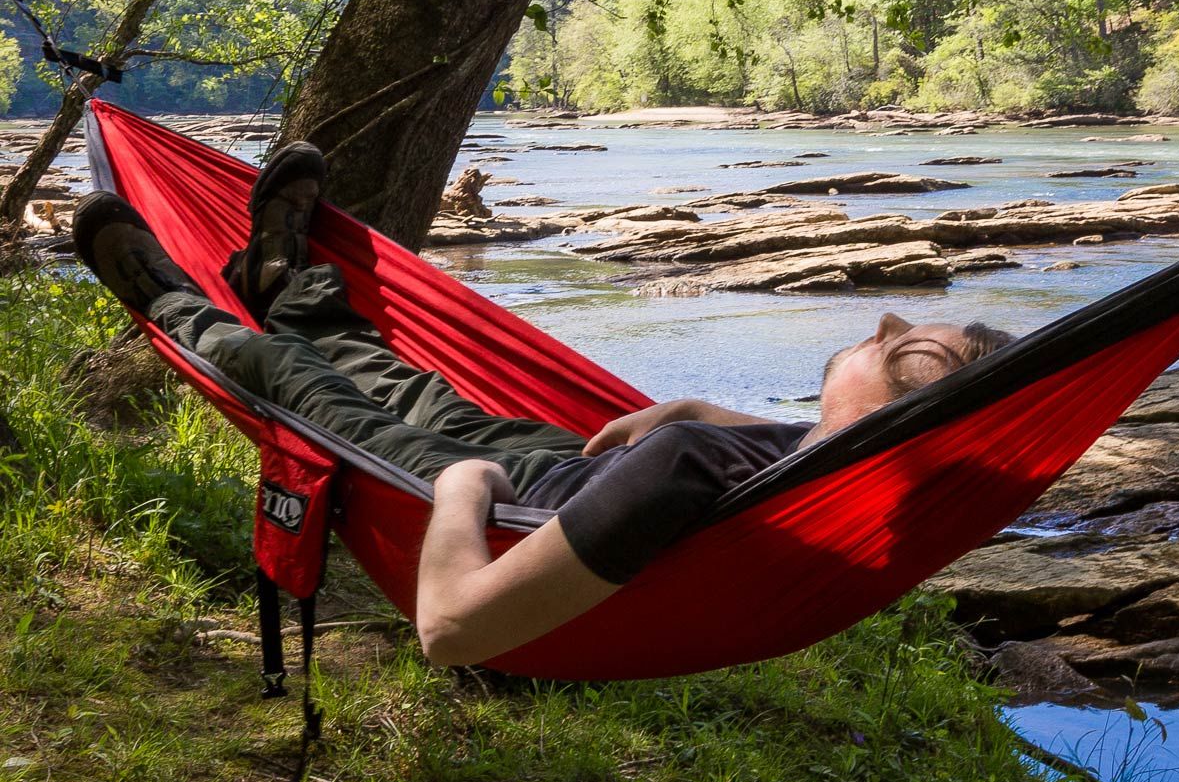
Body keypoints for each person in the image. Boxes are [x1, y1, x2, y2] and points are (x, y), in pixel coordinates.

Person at [72, 146, 1009, 667]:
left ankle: (165, 293)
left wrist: (461, 491)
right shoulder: (830, 470)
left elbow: (451, 630)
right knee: (400, 381)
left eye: (909, 346)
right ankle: (282, 279)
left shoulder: (697, 473)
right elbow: (772, 446)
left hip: (502, 505)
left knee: (297, 383)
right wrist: (685, 404)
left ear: (899, 411)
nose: (886, 318)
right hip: (556, 459)